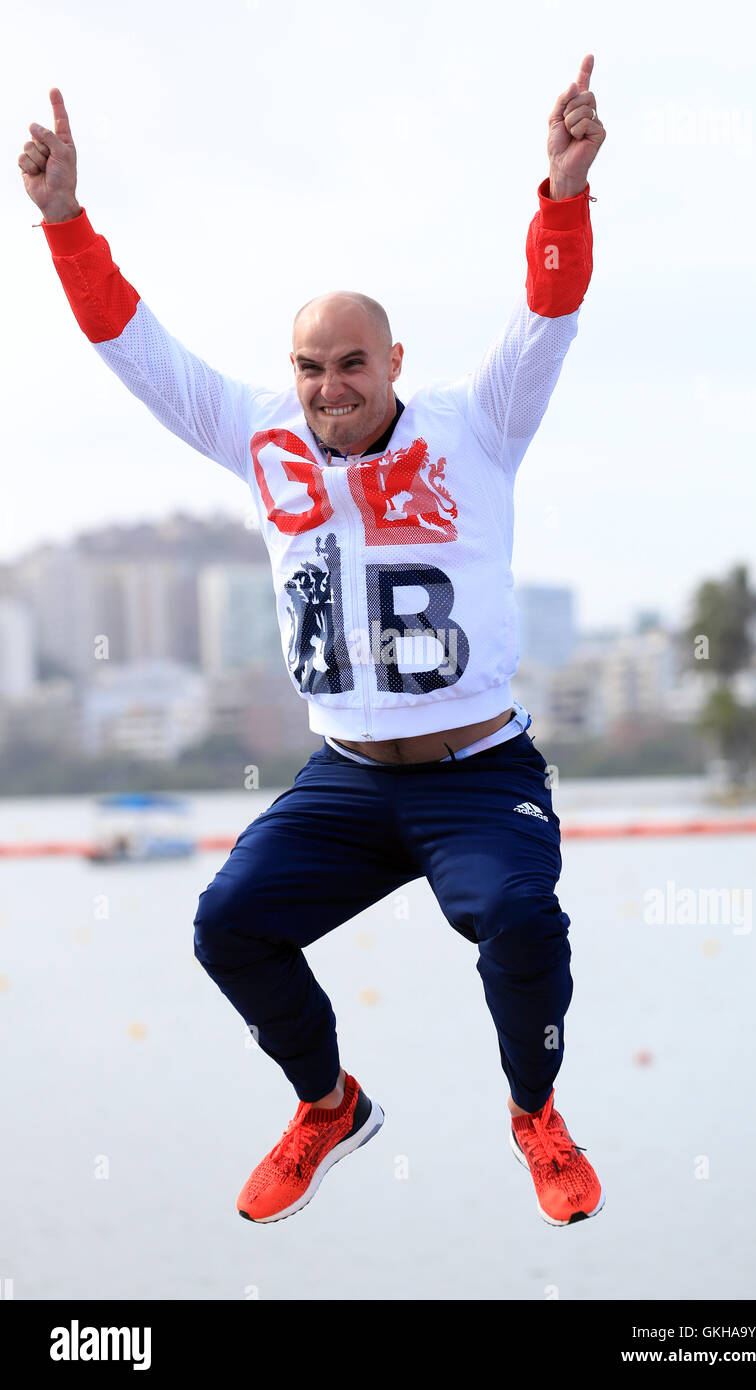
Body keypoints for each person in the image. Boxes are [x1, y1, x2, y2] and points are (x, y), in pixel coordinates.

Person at [20, 55, 607, 1227]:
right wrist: (66, 220)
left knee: (523, 921)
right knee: (227, 924)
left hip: (477, 774)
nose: (329, 388)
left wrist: (563, 192)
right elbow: (134, 348)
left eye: (350, 364)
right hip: (342, 778)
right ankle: (327, 1102)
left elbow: (546, 315)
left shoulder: (477, 426)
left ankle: (534, 1111)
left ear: (391, 363)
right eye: (309, 367)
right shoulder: (260, 436)